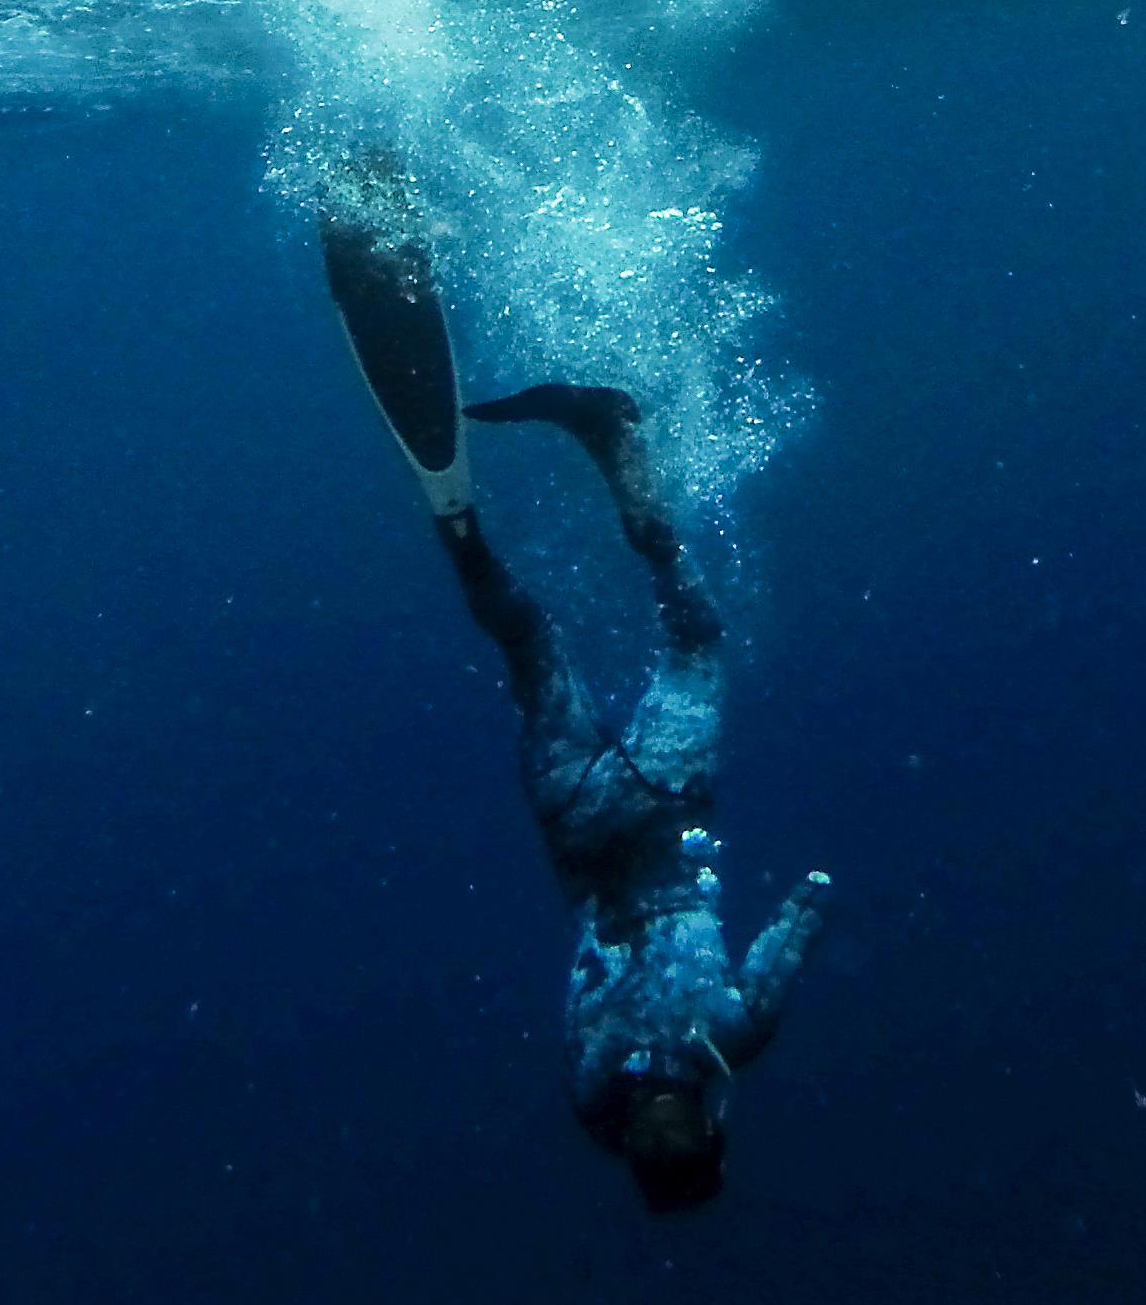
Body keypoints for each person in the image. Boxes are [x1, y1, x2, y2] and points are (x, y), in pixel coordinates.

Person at [316, 157, 828, 1214]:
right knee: (544, 649)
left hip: (651, 818)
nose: (658, 1132)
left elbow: (789, 937)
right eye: (673, 1145)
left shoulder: (719, 1043)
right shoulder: (603, 1088)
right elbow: (725, 959)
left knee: (683, 644)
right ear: (697, 1135)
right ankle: (468, 524)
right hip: (592, 831)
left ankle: (617, 457)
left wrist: (817, 896)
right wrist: (801, 913)